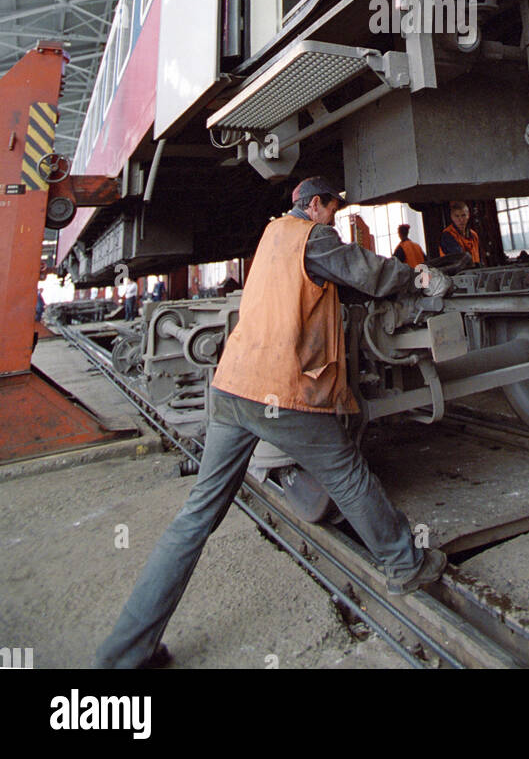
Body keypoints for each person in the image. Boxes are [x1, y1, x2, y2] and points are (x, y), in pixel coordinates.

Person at [95, 176, 453, 670]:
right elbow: (364, 271)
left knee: (196, 517)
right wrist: (416, 277)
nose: (335, 217)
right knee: (347, 477)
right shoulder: (314, 236)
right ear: (315, 205)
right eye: (332, 207)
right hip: (279, 391)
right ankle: (405, 564)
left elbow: (312, 288)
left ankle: (122, 654)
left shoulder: (272, 236)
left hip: (231, 386)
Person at [439, 200, 483, 265]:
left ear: (468, 216)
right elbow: (460, 258)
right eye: (457, 216)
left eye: (463, 215)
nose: (461, 220)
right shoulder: (448, 235)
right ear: (452, 217)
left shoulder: (474, 235)